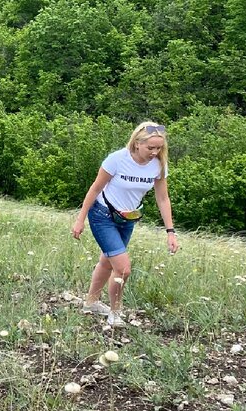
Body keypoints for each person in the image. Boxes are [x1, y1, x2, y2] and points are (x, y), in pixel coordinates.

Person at [71, 122, 179, 327]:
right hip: (103, 215)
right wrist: (80, 219)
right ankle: (115, 312)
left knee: (107, 261)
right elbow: (94, 189)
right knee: (123, 269)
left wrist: (170, 232)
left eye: (159, 148)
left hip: (128, 219)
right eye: (150, 148)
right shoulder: (117, 159)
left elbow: (163, 199)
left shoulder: (159, 164)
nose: (154, 152)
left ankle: (91, 302)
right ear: (137, 143)